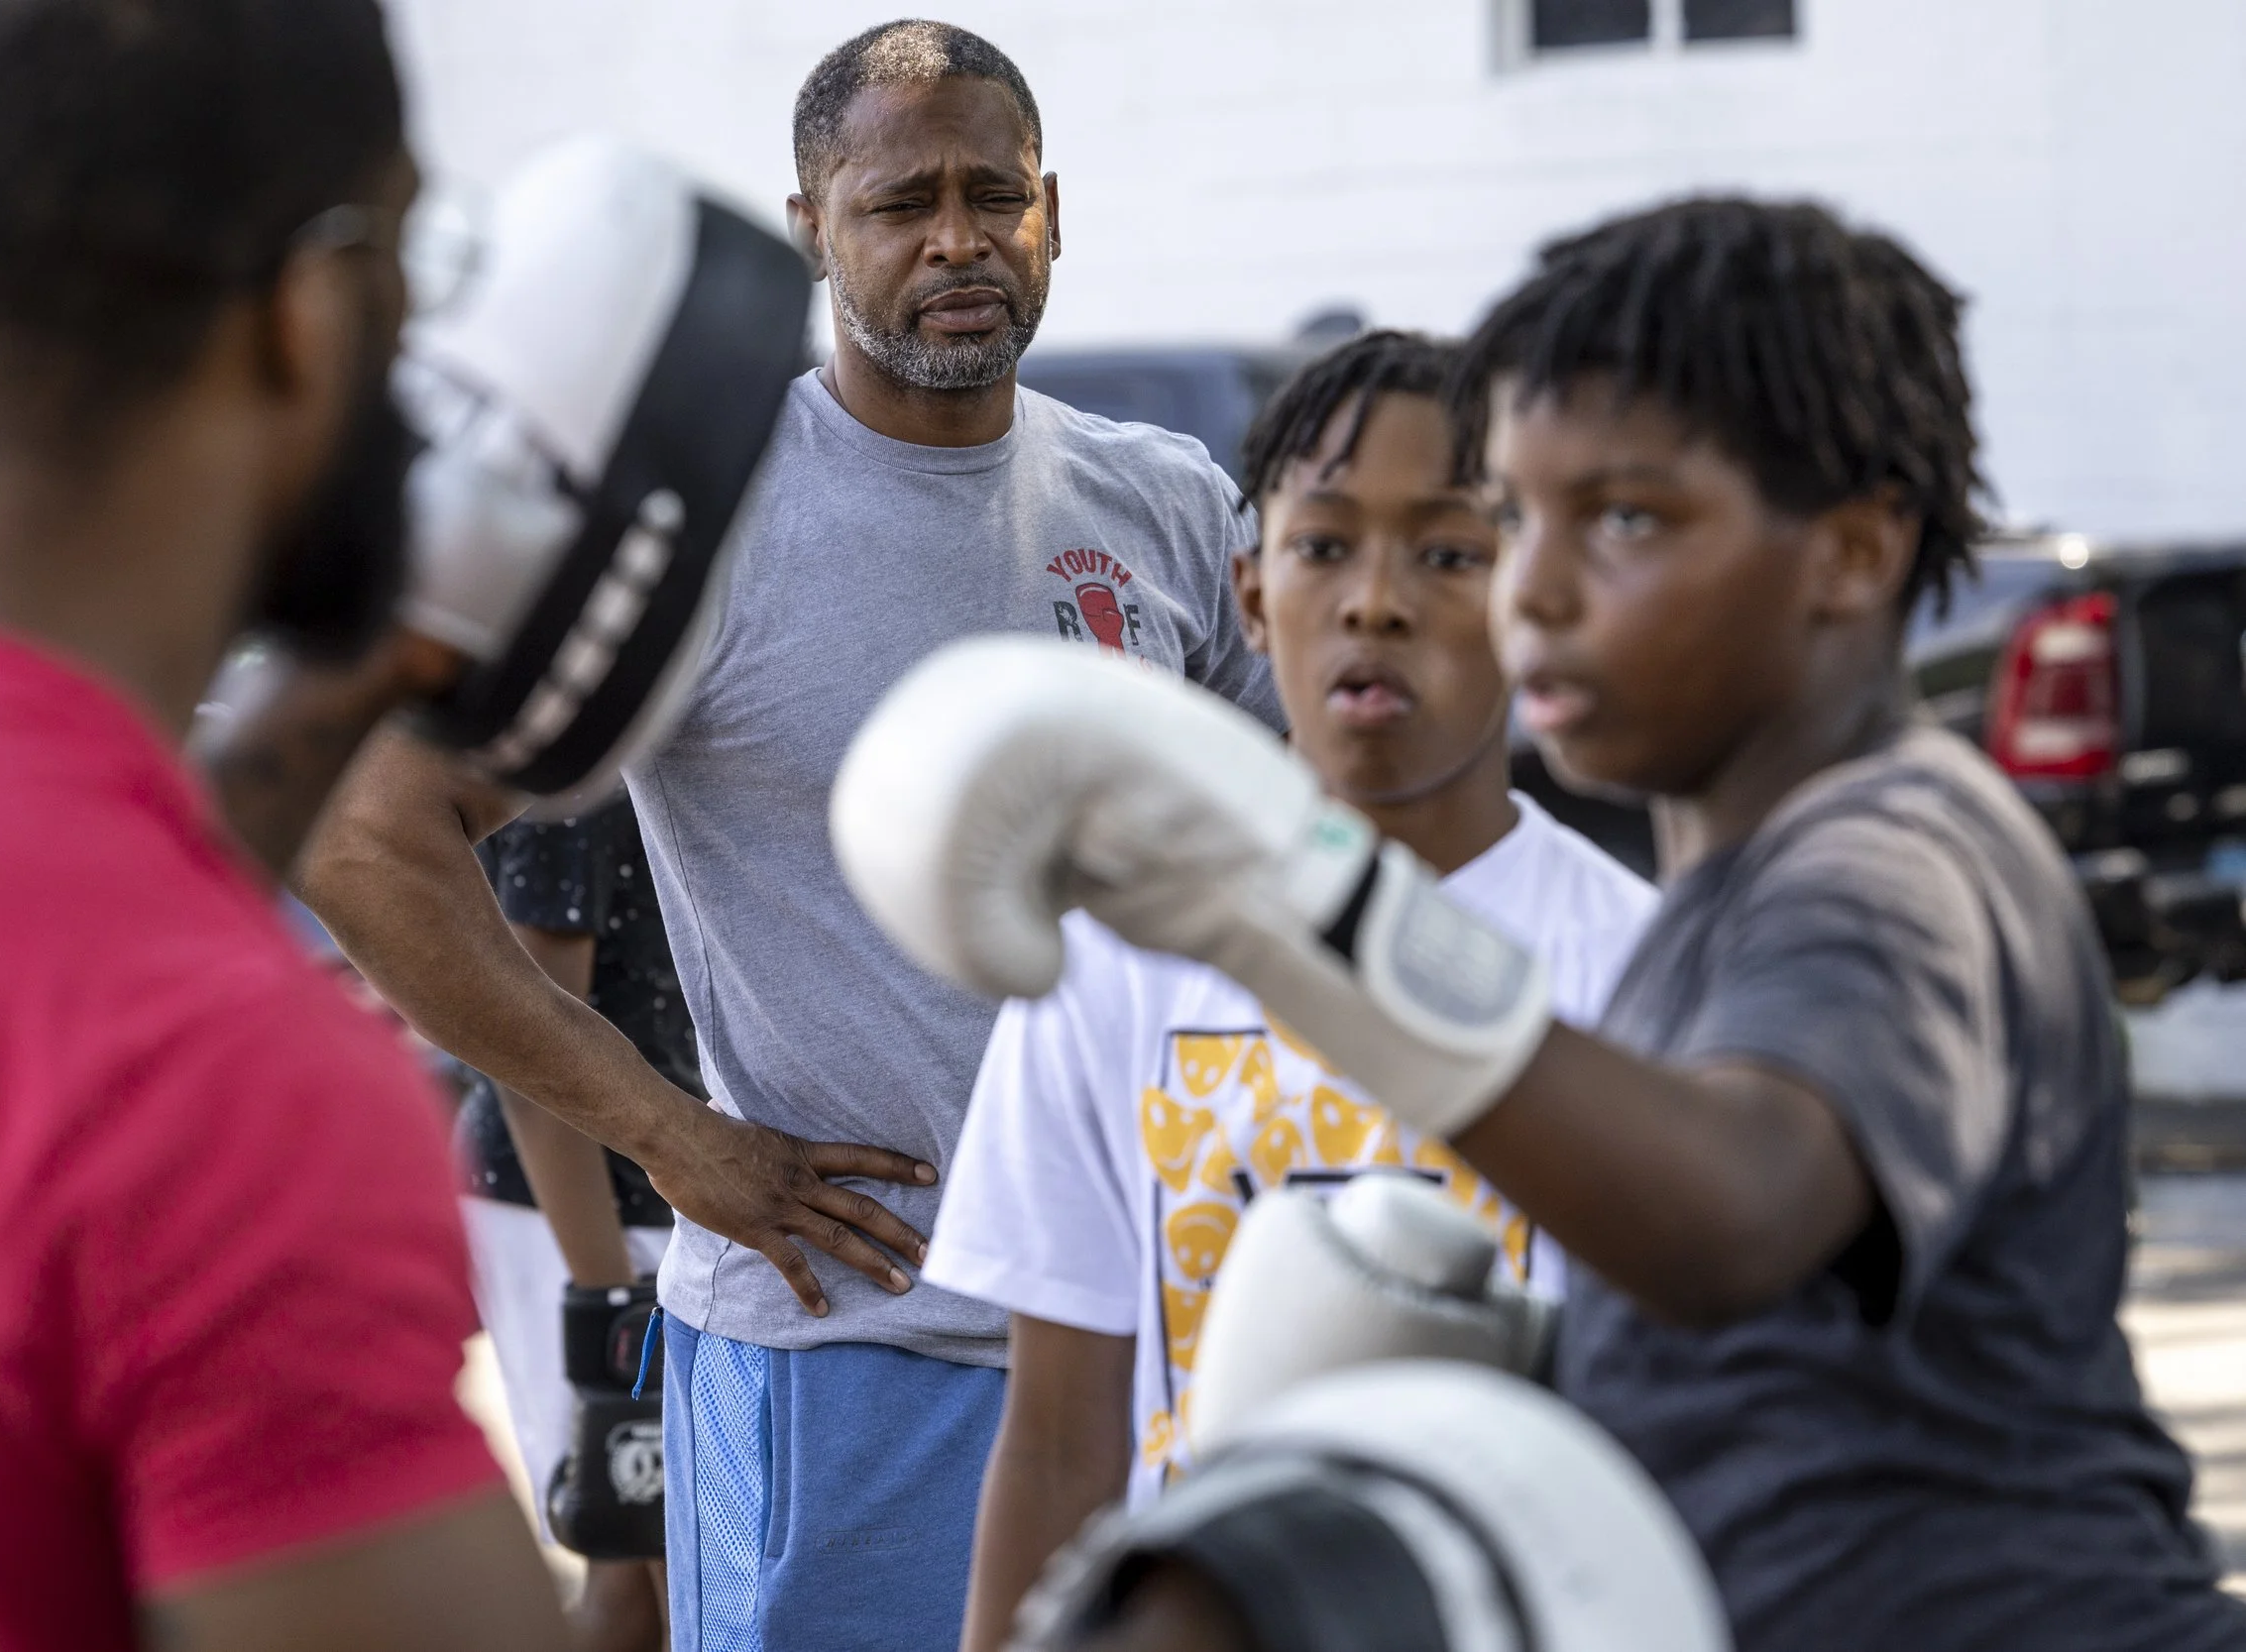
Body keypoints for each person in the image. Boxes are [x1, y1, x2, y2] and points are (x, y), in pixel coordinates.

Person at [830, 197, 2246, 1652]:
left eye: (1624, 520)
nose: (1542, 586)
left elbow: (1740, 1206)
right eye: (1525, 517)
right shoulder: (1732, 900)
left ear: (1852, 552)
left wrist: (1297, 899)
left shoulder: (1891, 857)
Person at [296, 20, 1280, 1649]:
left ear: (1055, 209)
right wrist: (671, 1135)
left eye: (994, 194)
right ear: (815, 225)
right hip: (844, 1362)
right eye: (900, 203)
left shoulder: (1165, 504)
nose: (958, 238)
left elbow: (1315, 850)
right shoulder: (715, 522)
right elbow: (366, 840)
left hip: (1156, 1344)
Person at [0, 2, 564, 1646]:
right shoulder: (233, 1092)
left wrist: (355, 682)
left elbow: (12, 932)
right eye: (416, 260)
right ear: (314, 310)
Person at [920, 330, 1656, 1651]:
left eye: (1448, 550)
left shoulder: (1633, 956)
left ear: (1532, 596)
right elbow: (1056, 1432)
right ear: (1252, 599)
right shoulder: (1116, 953)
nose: (1377, 600)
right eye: (1327, 547)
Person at [457, 802, 685, 1650]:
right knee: (636, 1551)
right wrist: (606, 1302)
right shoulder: (575, 780)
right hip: (571, 1200)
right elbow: (525, 1051)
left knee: (660, 1565)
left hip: (664, 1191)